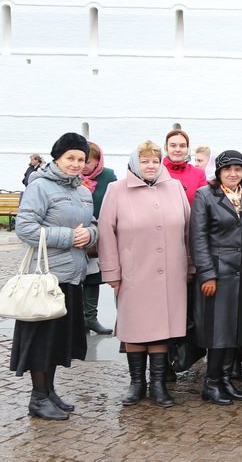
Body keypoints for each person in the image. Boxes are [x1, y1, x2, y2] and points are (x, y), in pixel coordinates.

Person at [98, 140, 191, 408]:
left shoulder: (174, 188)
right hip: (133, 272)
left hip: (170, 271)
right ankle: (137, 382)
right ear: (134, 163)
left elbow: (188, 229)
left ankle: (158, 384)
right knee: (135, 327)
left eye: (155, 160)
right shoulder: (117, 190)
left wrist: (190, 266)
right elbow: (105, 232)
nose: (150, 166)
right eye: (144, 161)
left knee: (162, 328)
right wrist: (112, 272)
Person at [12, 133, 96, 420]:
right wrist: (69, 237)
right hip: (46, 278)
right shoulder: (39, 186)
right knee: (42, 341)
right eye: (70, 157)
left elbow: (91, 224)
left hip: (72, 275)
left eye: (81, 159)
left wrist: (90, 235)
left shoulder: (82, 191)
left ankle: (48, 391)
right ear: (57, 158)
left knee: (58, 340)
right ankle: (37, 397)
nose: (76, 164)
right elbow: (25, 228)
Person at [190, 150, 242, 406]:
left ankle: (226, 380)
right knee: (217, 330)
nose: (233, 174)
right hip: (217, 273)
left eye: (238, 169)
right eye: (228, 169)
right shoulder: (205, 196)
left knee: (235, 329)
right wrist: (207, 274)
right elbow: (198, 238)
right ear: (218, 172)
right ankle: (212, 382)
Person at [81, 141, 116, 335]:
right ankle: (76, 320)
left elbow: (115, 199)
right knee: (75, 279)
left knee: (93, 277)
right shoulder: (72, 176)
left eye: (88, 161)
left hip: (98, 233)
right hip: (75, 232)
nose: (84, 166)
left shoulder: (108, 176)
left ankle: (90, 318)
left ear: (97, 161)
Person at [162, 129, 207, 205]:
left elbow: (204, 205)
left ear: (187, 149)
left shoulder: (198, 174)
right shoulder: (157, 172)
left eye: (182, 146)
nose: (178, 149)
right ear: (166, 148)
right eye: (173, 145)